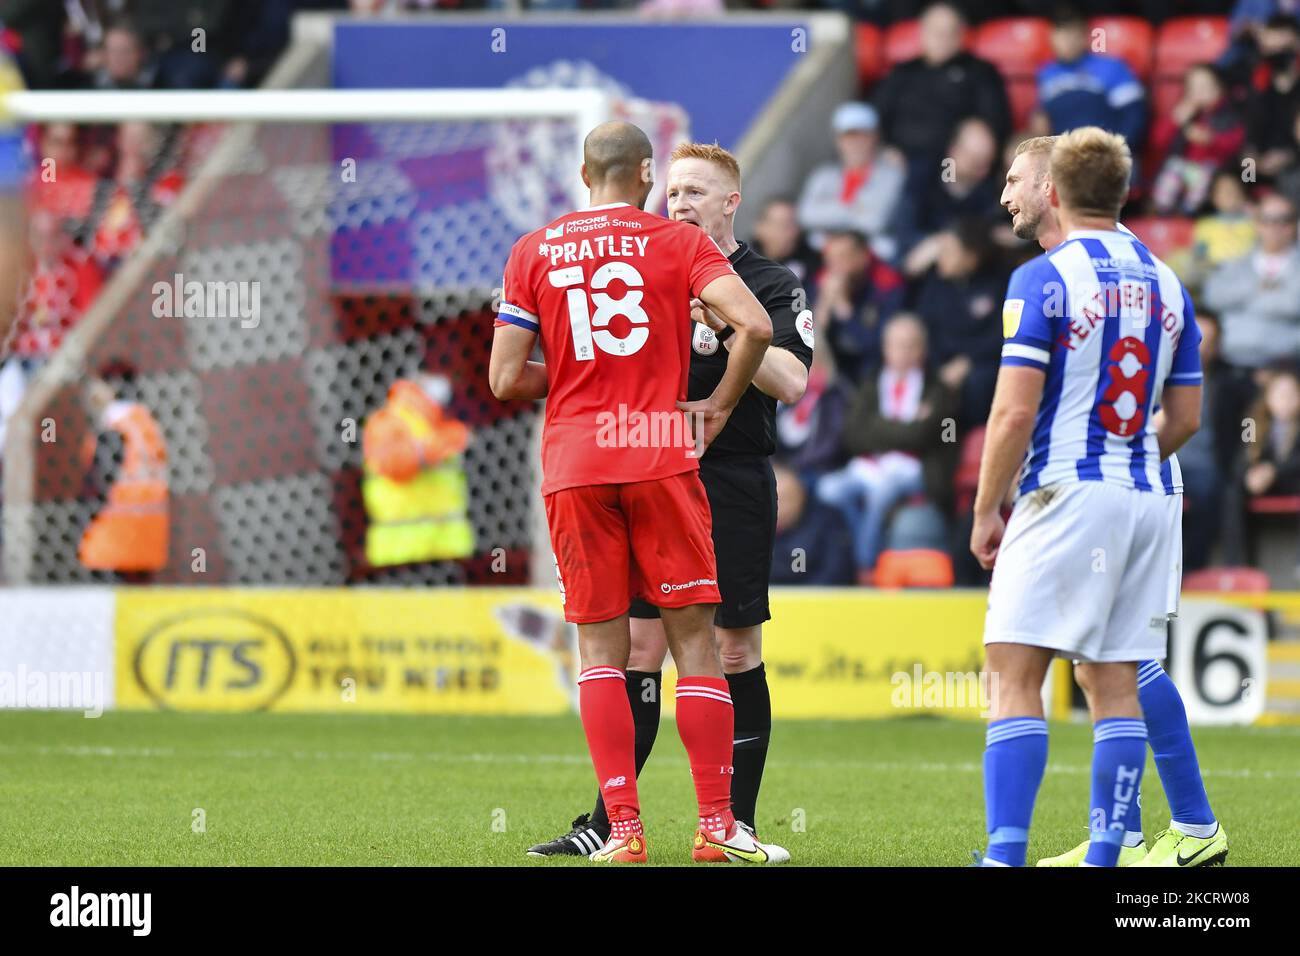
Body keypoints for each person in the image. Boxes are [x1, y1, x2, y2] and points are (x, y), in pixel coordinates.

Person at [490, 121, 779, 864]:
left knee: (602, 651)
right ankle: (717, 827)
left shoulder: (533, 250)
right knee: (696, 645)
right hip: (658, 454)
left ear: (584, 174)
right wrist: (714, 410)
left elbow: (501, 378)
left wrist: (582, 380)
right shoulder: (677, 243)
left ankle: (621, 831)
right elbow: (752, 324)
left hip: (578, 463)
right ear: (646, 173)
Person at [975, 128, 1220, 868]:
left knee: (1014, 672)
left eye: (1019, 181)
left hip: (1070, 490)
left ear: (1055, 189)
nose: (1007, 194)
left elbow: (1014, 412)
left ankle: (1005, 857)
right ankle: (1112, 855)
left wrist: (988, 507)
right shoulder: (1168, 279)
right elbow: (1188, 419)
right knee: (1115, 677)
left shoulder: (1046, 278)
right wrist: (1127, 458)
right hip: (1146, 486)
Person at [817, 314, 957, 584]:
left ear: (922, 350)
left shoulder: (936, 388)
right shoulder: (872, 383)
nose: (903, 353)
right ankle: (862, 540)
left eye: (910, 345)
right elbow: (854, 434)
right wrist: (906, 428)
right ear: (885, 348)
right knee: (828, 490)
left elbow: (924, 436)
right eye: (896, 345)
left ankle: (866, 564)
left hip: (915, 469)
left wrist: (880, 428)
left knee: (882, 493)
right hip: (872, 465)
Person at [872, 1, 1010, 167]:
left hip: (951, 164)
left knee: (950, 181)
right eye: (936, 32)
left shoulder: (980, 72)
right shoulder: (902, 72)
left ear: (960, 35)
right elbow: (875, 114)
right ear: (922, 32)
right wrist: (885, 148)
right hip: (901, 162)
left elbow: (995, 122)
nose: (943, 39)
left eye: (950, 32)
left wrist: (970, 146)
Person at [1201, 192, 1300, 370]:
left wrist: (1245, 299)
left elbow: (1294, 304)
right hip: (1231, 360)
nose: (1275, 227)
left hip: (1288, 363)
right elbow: (1213, 297)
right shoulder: (1236, 262)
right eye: (1267, 220)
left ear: (1295, 225)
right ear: (1257, 224)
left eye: (1284, 220)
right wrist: (1263, 288)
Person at [796, 101, 906, 257]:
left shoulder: (891, 175)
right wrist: (855, 209)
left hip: (870, 258)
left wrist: (829, 213)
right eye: (849, 136)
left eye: (863, 136)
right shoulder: (823, 175)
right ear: (838, 140)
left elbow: (874, 221)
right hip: (822, 258)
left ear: (875, 137)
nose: (856, 143)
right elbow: (805, 215)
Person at [1033, 4, 1146, 149]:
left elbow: (1134, 116)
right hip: (1062, 155)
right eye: (1061, 35)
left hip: (1103, 152)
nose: (1066, 42)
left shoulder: (1111, 67)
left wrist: (1118, 150)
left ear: (1085, 37)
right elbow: (1042, 121)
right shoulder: (1046, 73)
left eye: (1072, 35)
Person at [1150, 64, 1246, 216]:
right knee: (1173, 169)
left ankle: (1189, 213)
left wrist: (1211, 140)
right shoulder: (1183, 113)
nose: (1200, 93)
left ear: (1219, 88)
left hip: (1216, 170)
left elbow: (1238, 144)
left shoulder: (1230, 113)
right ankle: (1161, 211)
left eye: (1205, 87)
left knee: (1205, 175)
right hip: (1184, 167)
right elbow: (1158, 142)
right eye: (1194, 88)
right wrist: (1175, 121)